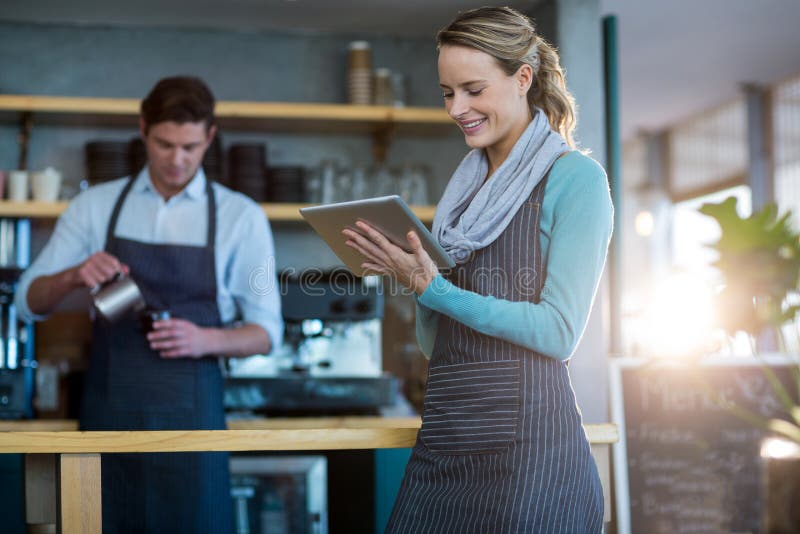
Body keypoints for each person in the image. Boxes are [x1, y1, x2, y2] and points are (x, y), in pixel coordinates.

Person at [343, 7, 612, 533]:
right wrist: (413, 283)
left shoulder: (575, 180)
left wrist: (434, 289)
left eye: (473, 89)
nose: (457, 108)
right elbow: (436, 346)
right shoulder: (464, 196)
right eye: (448, 93)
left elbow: (559, 333)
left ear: (523, 79)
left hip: (531, 462)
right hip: (446, 441)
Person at [15, 76, 283, 533]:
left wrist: (205, 339)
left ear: (210, 138)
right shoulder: (94, 207)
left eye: (190, 147)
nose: (177, 160)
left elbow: (266, 332)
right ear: (142, 129)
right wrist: (74, 276)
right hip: (108, 416)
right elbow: (26, 303)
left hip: (195, 425)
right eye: (164, 144)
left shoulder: (241, 217)